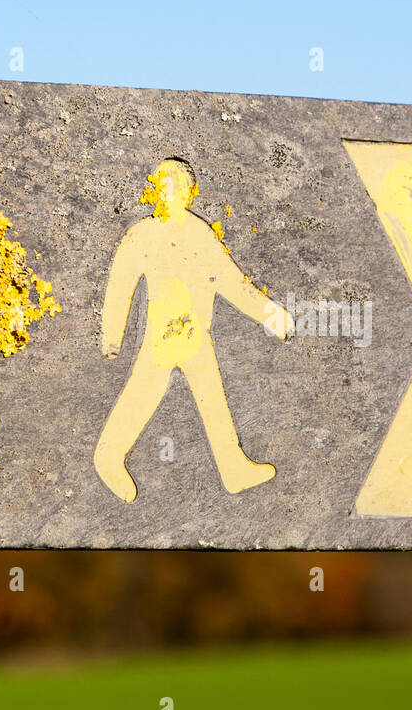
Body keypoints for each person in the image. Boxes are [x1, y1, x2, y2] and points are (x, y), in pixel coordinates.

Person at [94, 158, 295, 502]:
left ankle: (233, 468)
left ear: (190, 193)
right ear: (155, 191)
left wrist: (270, 315)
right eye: (164, 186)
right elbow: (120, 285)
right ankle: (108, 458)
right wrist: (113, 336)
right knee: (141, 396)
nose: (172, 193)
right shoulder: (142, 234)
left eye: (180, 187)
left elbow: (231, 282)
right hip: (160, 338)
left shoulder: (200, 233)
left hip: (196, 336)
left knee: (213, 400)